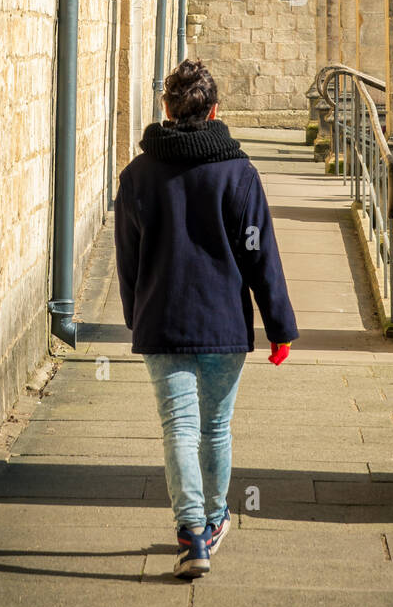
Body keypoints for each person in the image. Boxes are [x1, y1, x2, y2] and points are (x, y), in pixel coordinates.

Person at [113, 58, 299, 579]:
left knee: (179, 427)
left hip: (163, 322)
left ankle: (191, 529)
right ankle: (215, 520)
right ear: (215, 110)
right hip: (224, 327)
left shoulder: (137, 176)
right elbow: (261, 253)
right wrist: (278, 327)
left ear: (166, 109)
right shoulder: (239, 173)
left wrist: (135, 314)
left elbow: (128, 260)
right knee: (215, 427)